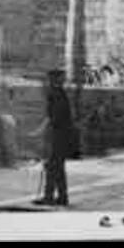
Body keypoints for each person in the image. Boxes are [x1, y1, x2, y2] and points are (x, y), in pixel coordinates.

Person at [35, 69, 74, 206]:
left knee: (52, 167)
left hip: (59, 137)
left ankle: (50, 197)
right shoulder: (60, 94)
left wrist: (43, 132)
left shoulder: (55, 95)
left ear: (53, 81)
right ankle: (60, 197)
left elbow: (54, 118)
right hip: (62, 137)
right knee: (57, 168)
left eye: (49, 80)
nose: (46, 83)